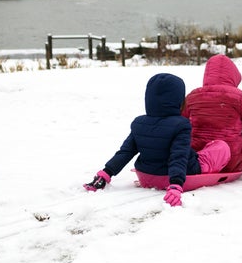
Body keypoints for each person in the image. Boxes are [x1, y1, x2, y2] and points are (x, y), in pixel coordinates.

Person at [84, 73, 230, 207]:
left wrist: (105, 174)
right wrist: (175, 185)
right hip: (172, 178)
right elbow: (177, 157)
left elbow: (126, 152)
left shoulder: (139, 123)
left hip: (145, 175)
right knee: (221, 147)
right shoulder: (181, 124)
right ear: (179, 101)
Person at [182, 54, 242, 173]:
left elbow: (180, 125)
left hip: (198, 157)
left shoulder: (193, 96)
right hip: (231, 161)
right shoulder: (237, 97)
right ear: (233, 76)